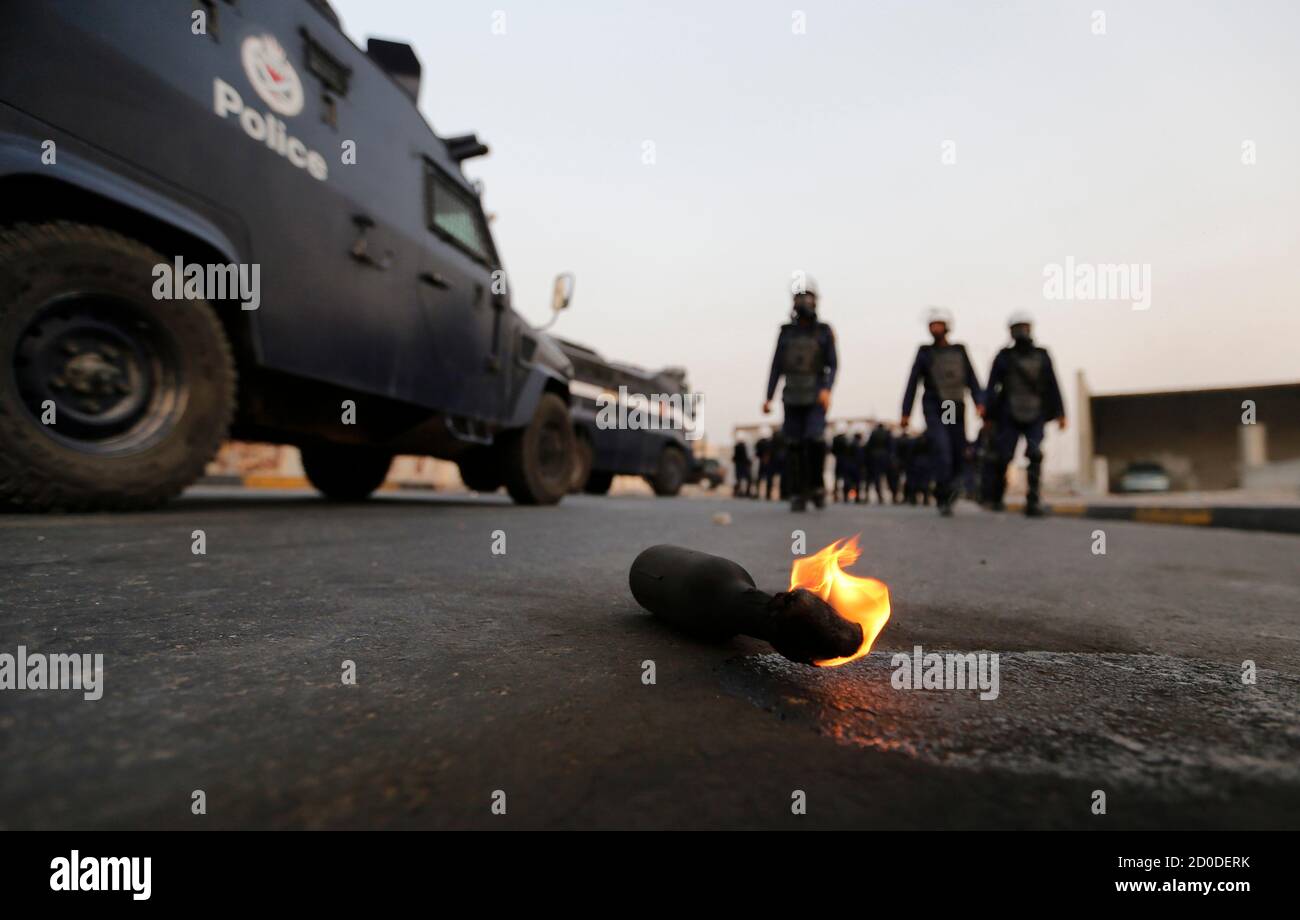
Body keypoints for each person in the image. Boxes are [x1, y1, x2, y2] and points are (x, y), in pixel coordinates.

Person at [900, 307, 983, 516]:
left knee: (956, 448)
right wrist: (906, 412)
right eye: (932, 325)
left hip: (953, 405)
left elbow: (971, 378)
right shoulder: (925, 352)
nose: (935, 328)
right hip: (934, 404)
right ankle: (943, 493)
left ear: (947, 327)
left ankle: (952, 489)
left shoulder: (959, 350)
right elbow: (913, 381)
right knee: (941, 446)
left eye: (939, 324)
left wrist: (979, 402)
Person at [763, 278, 837, 512]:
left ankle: (817, 486)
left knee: (814, 440)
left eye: (808, 297)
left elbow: (832, 364)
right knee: (793, 444)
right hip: (791, 393)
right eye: (799, 297)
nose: (803, 301)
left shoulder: (824, 331)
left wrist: (826, 388)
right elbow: (776, 366)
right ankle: (798, 492)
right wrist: (769, 397)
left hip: (815, 394)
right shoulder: (786, 332)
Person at [984, 311, 1066, 517]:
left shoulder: (1042, 355)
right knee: (1004, 457)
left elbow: (1053, 384)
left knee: (1035, 453)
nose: (1021, 331)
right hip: (1008, 414)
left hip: (1036, 412)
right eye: (1017, 328)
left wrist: (1061, 413)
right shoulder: (1003, 356)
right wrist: (988, 417)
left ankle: (1033, 500)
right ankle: (997, 496)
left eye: (1024, 327)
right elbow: (992, 388)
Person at [864, 421, 893, 504]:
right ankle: (890, 495)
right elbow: (890, 446)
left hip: (874, 457)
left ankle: (879, 494)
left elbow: (869, 446)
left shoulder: (874, 433)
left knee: (876, 477)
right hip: (884, 457)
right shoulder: (887, 433)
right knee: (886, 476)